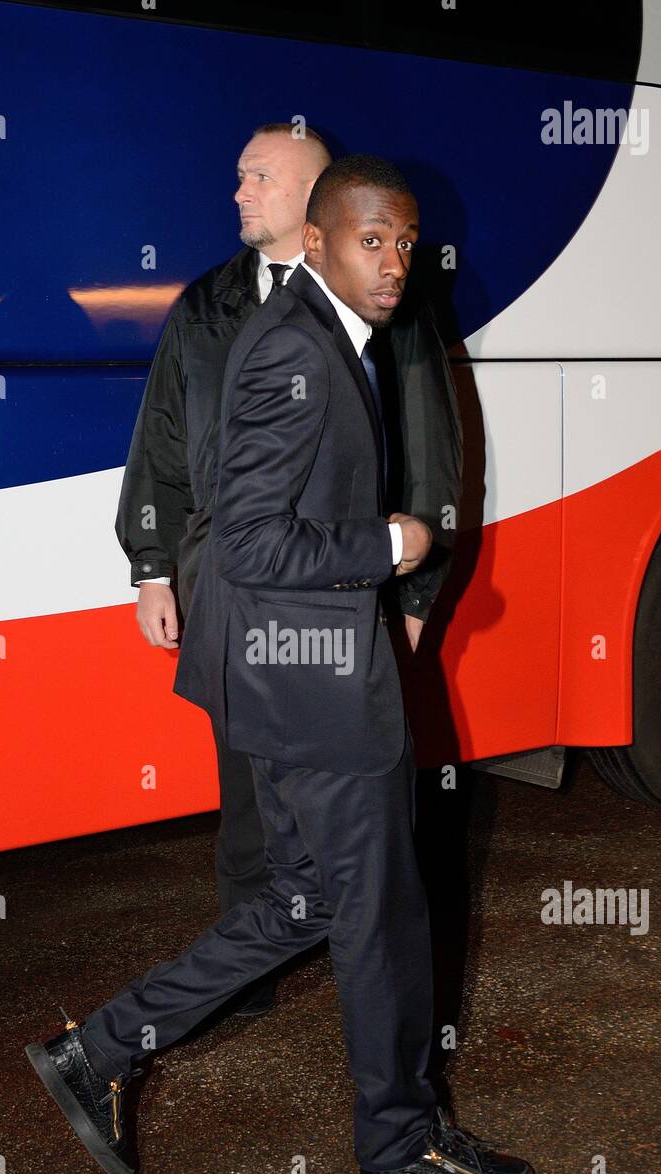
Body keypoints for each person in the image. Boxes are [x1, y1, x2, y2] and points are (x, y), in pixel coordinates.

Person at [26, 155, 535, 1174]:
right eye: (368, 239)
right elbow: (254, 540)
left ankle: (100, 1050)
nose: (392, 262)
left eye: (402, 241)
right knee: (382, 908)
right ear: (317, 241)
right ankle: (397, 1142)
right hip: (314, 687)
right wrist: (385, 543)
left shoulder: (328, 337)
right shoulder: (295, 353)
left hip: (287, 677)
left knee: (305, 897)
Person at [115, 122, 463, 1016]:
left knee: (348, 876)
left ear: (313, 200)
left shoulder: (391, 306)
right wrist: (152, 566)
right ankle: (251, 992)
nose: (238, 192)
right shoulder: (210, 308)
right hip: (246, 611)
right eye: (240, 176)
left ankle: (113, 1045)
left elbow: (431, 449)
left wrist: (415, 587)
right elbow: (161, 442)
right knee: (263, 827)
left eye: (258, 177)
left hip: (337, 619)